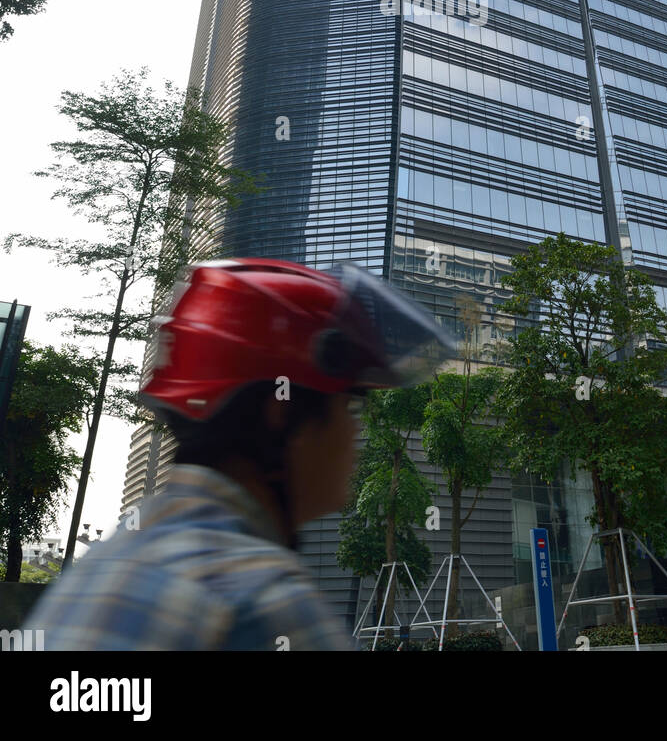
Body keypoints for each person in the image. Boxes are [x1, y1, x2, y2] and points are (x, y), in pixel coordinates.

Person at [25, 257, 454, 650]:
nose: (356, 430)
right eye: (351, 404)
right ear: (281, 414)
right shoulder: (265, 601)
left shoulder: (102, 563)